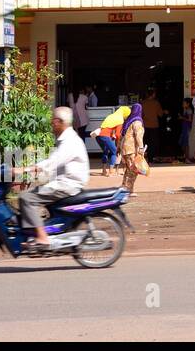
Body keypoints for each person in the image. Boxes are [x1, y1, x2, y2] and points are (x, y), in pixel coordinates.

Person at [18, 107, 90, 251]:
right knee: (34, 194)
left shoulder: (70, 141)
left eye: (53, 121)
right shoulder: (64, 139)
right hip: (62, 182)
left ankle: (43, 238)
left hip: (67, 185)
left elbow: (52, 162)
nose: (52, 124)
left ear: (60, 122)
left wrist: (24, 169)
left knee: (27, 198)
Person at [119, 103, 146, 195]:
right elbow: (138, 136)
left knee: (128, 169)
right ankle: (128, 190)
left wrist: (119, 148)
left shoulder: (129, 121)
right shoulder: (137, 122)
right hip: (131, 149)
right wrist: (141, 148)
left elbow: (122, 136)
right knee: (133, 170)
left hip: (126, 149)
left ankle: (124, 188)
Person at [94, 106, 128, 176]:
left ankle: (104, 171)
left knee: (105, 151)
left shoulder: (111, 116)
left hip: (98, 136)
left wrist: (112, 135)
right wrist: (118, 144)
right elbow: (118, 134)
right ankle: (111, 172)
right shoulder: (120, 119)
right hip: (105, 136)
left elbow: (107, 127)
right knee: (114, 152)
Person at [140, 88, 163, 159]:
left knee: (144, 141)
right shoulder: (156, 103)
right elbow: (160, 114)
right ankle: (151, 157)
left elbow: (140, 114)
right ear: (153, 95)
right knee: (153, 142)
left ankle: (144, 156)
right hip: (154, 125)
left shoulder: (142, 103)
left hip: (145, 125)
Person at [179, 98, 195, 162]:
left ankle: (187, 158)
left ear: (188, 104)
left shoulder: (189, 110)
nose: (183, 104)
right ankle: (185, 156)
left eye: (184, 103)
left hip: (187, 127)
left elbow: (190, 119)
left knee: (185, 143)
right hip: (185, 127)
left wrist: (182, 117)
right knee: (183, 143)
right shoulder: (185, 110)